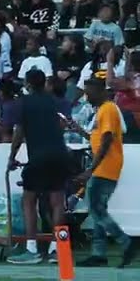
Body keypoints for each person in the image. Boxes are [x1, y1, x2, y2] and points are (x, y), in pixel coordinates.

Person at [65, 78, 136, 268]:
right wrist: (80, 131)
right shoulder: (103, 111)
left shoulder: (108, 109)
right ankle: (99, 253)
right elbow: (98, 138)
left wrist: (90, 170)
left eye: (89, 92)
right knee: (98, 211)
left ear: (100, 90)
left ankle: (126, 242)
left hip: (104, 167)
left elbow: (106, 140)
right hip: (105, 166)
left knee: (97, 210)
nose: (87, 97)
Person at [6, 69, 74, 264]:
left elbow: (19, 132)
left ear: (27, 84)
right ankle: (58, 249)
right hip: (59, 154)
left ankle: (32, 249)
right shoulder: (55, 101)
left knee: (29, 200)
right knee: (57, 202)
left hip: (38, 156)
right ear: (45, 83)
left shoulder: (24, 103)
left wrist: (12, 157)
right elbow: (63, 124)